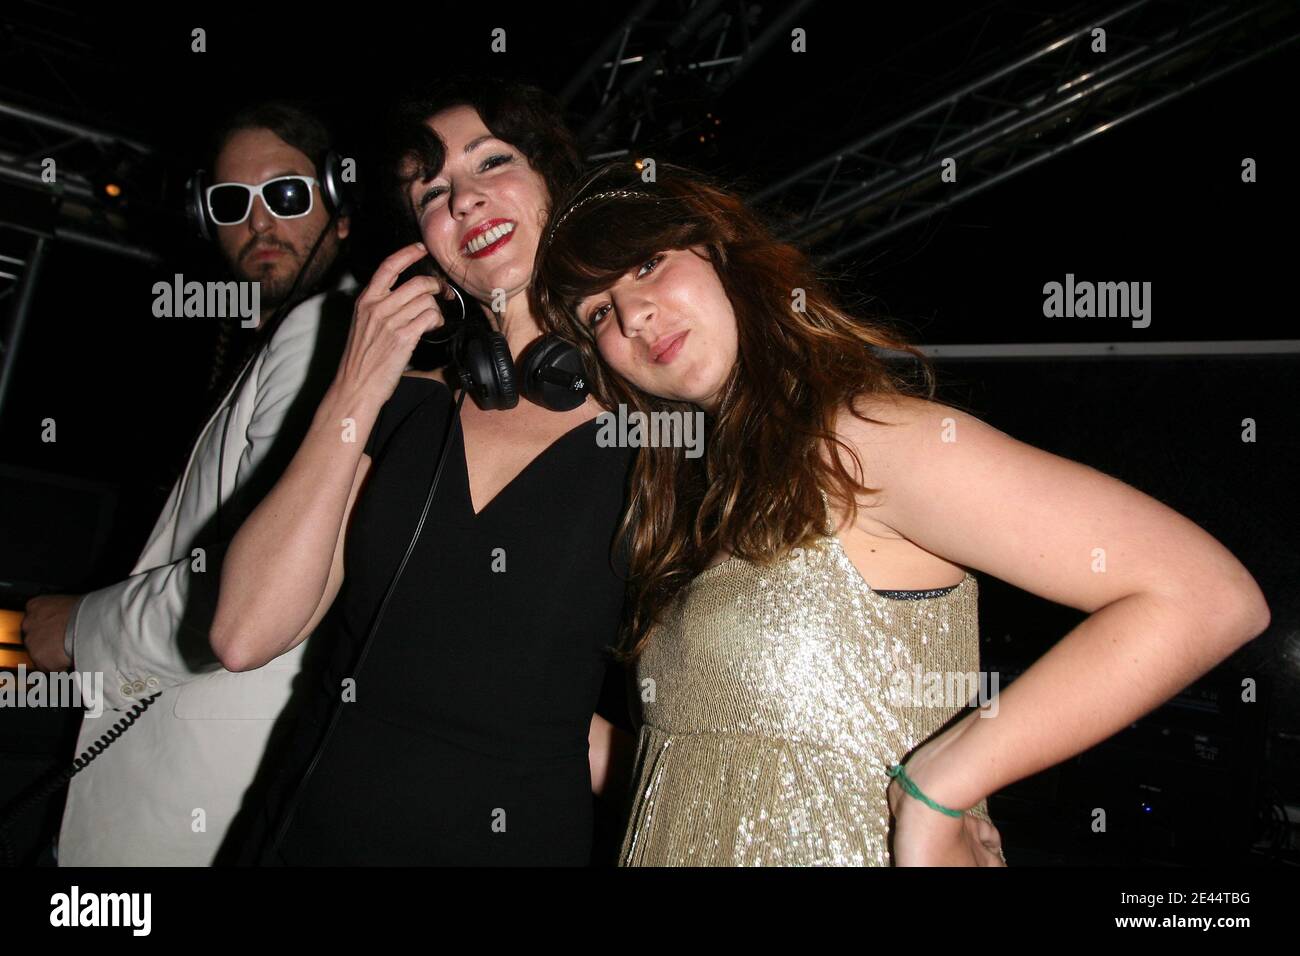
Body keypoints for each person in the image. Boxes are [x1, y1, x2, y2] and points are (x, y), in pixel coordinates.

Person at [529, 160, 1272, 866]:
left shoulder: (860, 442)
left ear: (723, 255)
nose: (632, 313)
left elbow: (1202, 596)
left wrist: (939, 788)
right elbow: (696, 777)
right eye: (597, 312)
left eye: (645, 265)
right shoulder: (695, 515)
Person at [210, 77, 637, 865]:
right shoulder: (399, 408)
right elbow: (244, 633)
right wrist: (356, 384)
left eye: (491, 162)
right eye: (432, 191)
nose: (464, 200)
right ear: (423, 242)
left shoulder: (653, 437)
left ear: (556, 184)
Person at [20, 101, 356, 866]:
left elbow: (249, 593)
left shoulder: (325, 333)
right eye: (231, 203)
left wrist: (77, 629)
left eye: (288, 195)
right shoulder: (282, 339)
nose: (259, 223)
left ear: (340, 212)